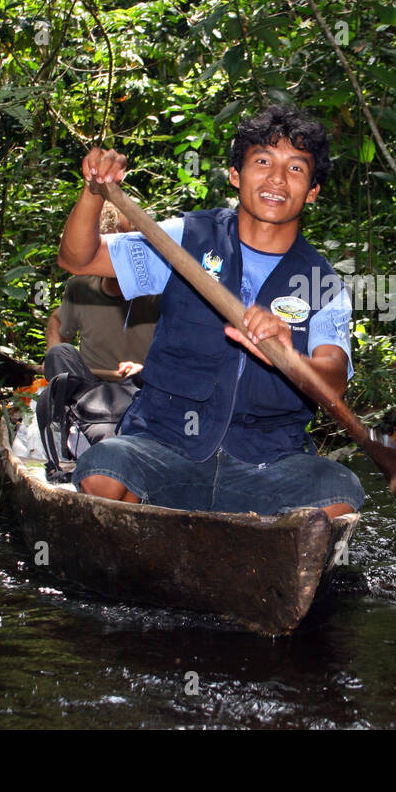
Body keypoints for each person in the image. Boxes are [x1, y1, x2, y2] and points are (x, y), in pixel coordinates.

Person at [55, 105, 365, 519]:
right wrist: (93, 193)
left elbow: (332, 382)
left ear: (311, 191)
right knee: (103, 471)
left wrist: (291, 357)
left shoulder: (323, 284)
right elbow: (79, 258)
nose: (276, 178)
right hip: (166, 445)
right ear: (236, 176)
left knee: (340, 491)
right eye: (262, 162)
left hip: (265, 462)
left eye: (295, 168)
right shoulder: (188, 237)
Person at [44, 201, 159, 391]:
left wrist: (148, 371)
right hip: (90, 392)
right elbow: (57, 323)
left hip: (143, 391)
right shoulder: (81, 287)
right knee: (59, 353)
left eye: (117, 248)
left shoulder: (157, 291)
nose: (111, 258)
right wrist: (55, 364)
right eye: (103, 249)